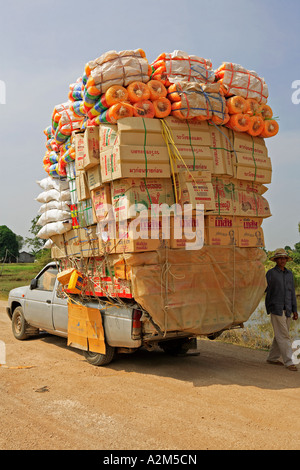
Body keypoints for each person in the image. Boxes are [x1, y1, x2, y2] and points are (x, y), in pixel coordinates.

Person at [265, 248, 298, 371]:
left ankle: (272, 358)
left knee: (280, 334)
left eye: (284, 258)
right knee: (284, 335)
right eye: (280, 258)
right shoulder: (271, 273)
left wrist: (295, 310)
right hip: (276, 308)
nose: (282, 260)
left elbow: (292, 292)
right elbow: (264, 289)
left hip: (288, 308)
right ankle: (289, 362)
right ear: (276, 260)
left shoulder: (289, 274)